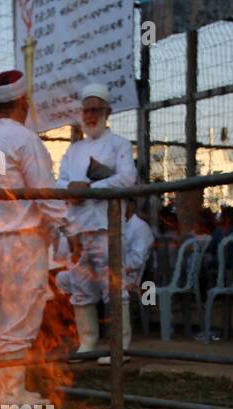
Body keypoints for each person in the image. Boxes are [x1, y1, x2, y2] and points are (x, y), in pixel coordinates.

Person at [0, 69, 70, 404]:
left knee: (3, 319)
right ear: (23, 102)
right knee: (20, 318)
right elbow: (45, 194)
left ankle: (8, 391)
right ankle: (11, 397)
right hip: (22, 241)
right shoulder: (24, 140)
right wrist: (71, 227)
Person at [57, 82, 138, 358]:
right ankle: (88, 344)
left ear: (107, 112)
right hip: (79, 230)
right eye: (86, 110)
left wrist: (89, 189)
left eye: (95, 110)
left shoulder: (120, 145)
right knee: (80, 288)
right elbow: (60, 182)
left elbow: (127, 178)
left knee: (113, 288)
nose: (89, 115)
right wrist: (71, 190)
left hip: (107, 228)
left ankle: (119, 348)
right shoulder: (73, 150)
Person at [105, 198, 155, 365]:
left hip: (133, 277)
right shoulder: (120, 224)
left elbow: (137, 261)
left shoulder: (140, 227)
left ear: (131, 205)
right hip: (116, 271)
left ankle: (121, 346)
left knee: (109, 285)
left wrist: (115, 267)